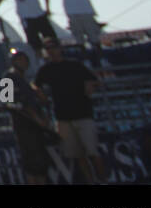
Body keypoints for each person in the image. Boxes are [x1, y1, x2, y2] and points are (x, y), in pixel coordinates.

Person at [34, 38, 104, 184]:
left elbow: (94, 79)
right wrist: (41, 96)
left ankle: (103, 180)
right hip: (63, 117)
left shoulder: (74, 65)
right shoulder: (46, 70)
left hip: (83, 113)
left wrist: (90, 87)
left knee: (93, 152)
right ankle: (91, 181)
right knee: (77, 155)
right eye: (48, 49)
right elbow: (35, 85)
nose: (51, 51)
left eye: (53, 47)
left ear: (60, 48)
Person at [1, 48, 51, 185]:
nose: (23, 63)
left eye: (25, 60)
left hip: (34, 126)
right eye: (20, 60)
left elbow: (36, 101)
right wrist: (33, 116)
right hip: (23, 125)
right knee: (32, 162)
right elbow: (7, 102)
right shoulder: (8, 77)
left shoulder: (26, 80)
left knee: (40, 162)